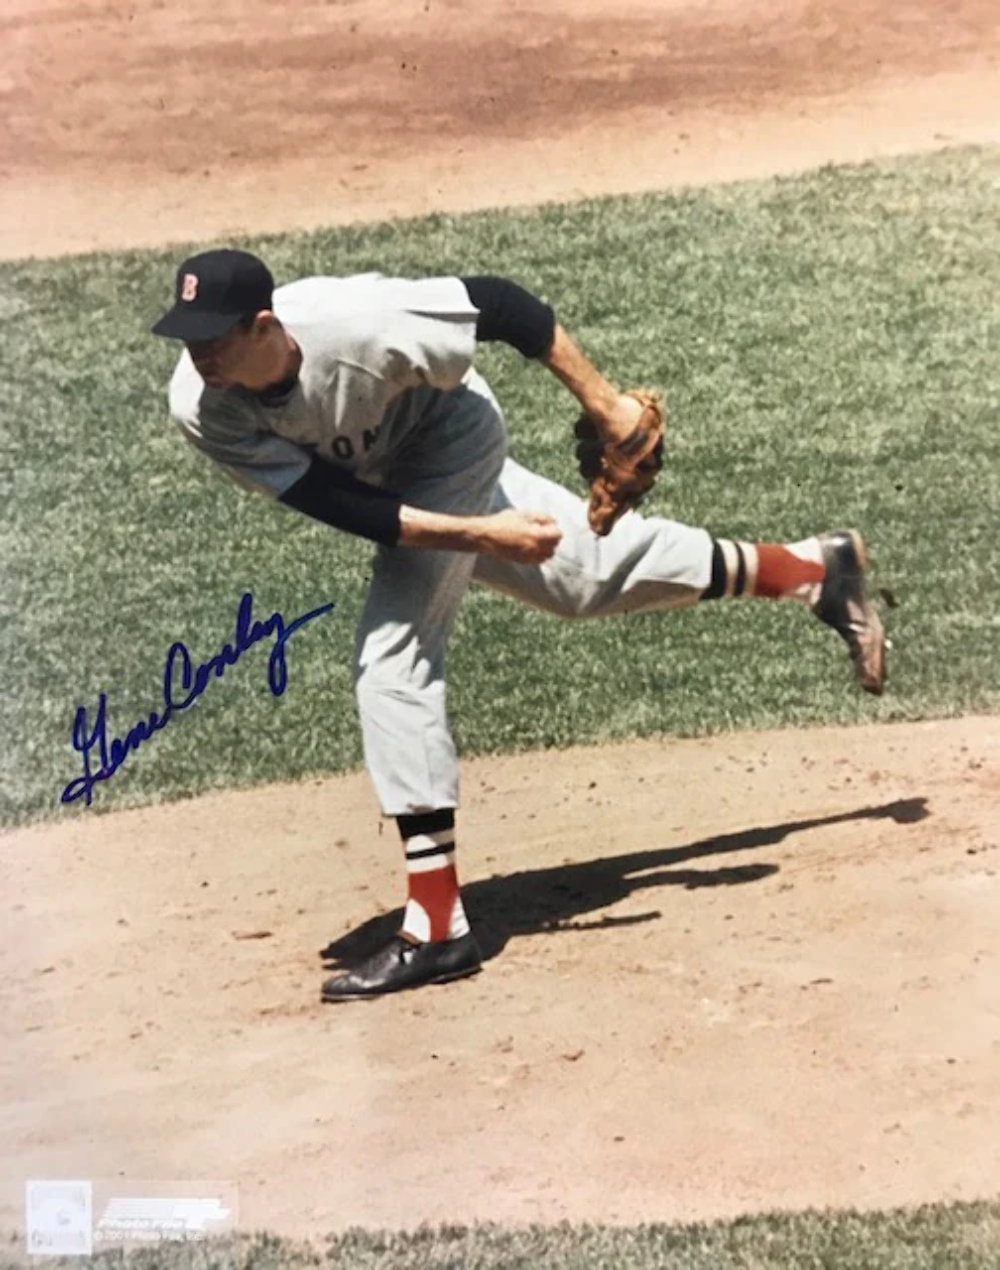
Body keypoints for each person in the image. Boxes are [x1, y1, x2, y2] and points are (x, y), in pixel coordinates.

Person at [151, 248, 886, 1002]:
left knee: (393, 660)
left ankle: (437, 927)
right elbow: (340, 505)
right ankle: (814, 570)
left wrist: (605, 405)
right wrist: (482, 534)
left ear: (263, 325)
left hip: (451, 437)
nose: (198, 353)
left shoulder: (360, 327)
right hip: (390, 483)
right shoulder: (201, 406)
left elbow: (500, 304)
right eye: (187, 336)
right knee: (587, 577)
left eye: (213, 336)